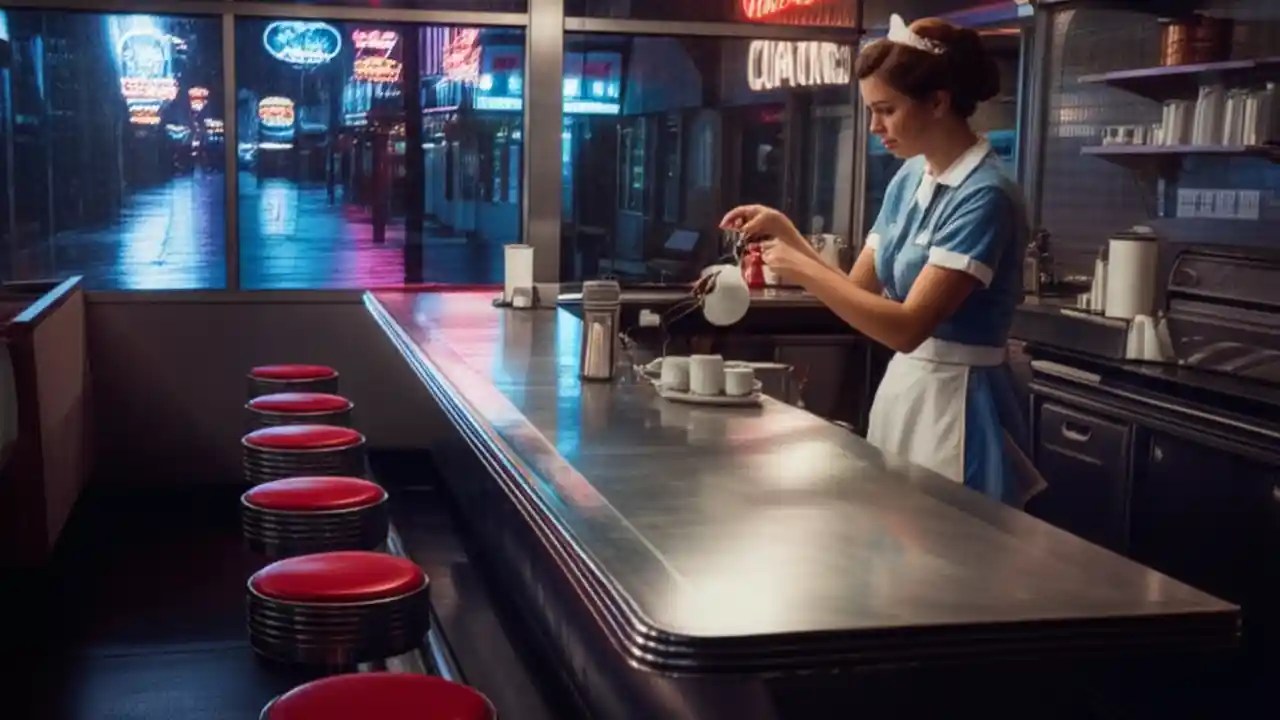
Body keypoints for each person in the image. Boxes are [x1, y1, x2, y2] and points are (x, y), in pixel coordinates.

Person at [720, 15, 1044, 508]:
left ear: (938, 102)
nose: (875, 128)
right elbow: (859, 292)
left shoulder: (985, 196)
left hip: (959, 402)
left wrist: (802, 268)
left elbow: (907, 328)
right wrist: (786, 233)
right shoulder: (910, 177)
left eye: (886, 111)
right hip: (908, 388)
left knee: (953, 550)